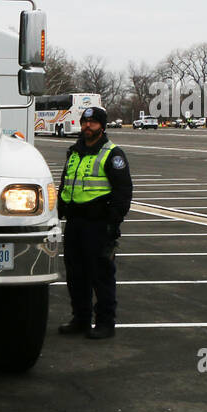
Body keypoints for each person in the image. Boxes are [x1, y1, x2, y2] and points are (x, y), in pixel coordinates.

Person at [57, 105, 132, 339]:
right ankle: (80, 319)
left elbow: (123, 191)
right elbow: (67, 181)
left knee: (101, 275)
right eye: (84, 122)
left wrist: (113, 224)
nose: (87, 126)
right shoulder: (74, 151)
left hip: (98, 223)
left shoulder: (112, 153)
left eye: (93, 122)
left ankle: (105, 323)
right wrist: (61, 207)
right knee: (76, 274)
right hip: (75, 222)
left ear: (102, 126)